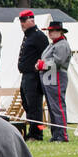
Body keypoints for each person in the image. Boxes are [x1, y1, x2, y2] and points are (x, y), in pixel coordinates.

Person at [35, 19, 71, 142]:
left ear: (59, 31)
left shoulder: (62, 44)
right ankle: (56, 134)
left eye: (53, 31)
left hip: (57, 77)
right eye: (49, 31)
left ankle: (62, 135)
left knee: (58, 107)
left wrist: (42, 65)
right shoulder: (54, 44)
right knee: (52, 107)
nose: (50, 33)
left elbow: (58, 61)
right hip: (50, 78)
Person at [16, 10, 48, 139]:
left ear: (32, 20)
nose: (22, 23)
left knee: (35, 106)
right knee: (27, 104)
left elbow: (46, 55)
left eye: (24, 20)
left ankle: (37, 132)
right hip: (26, 75)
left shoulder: (38, 36)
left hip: (34, 76)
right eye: (21, 21)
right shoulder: (28, 35)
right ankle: (33, 130)